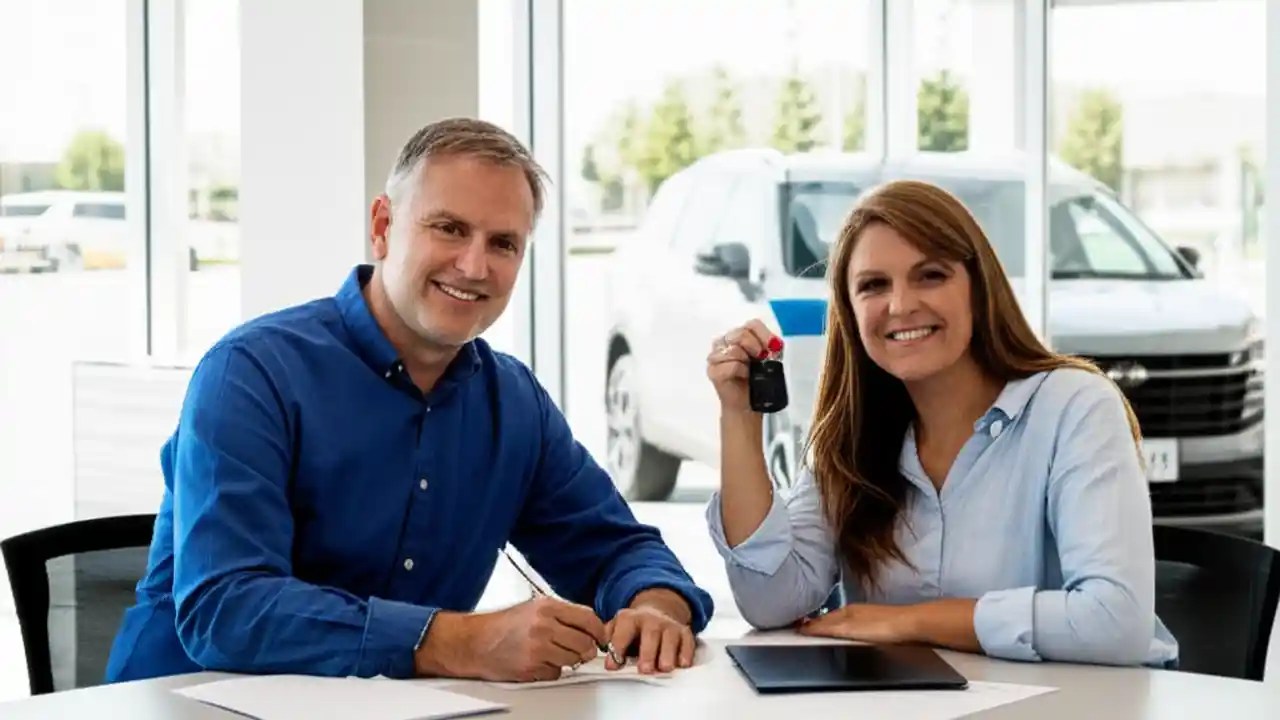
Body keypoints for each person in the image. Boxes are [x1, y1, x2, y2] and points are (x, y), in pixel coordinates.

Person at [105, 117, 713, 684]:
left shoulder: (511, 402)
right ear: (382, 226)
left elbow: (618, 548)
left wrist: (652, 607)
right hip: (187, 702)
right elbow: (226, 607)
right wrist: (457, 642)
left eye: (503, 243)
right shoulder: (250, 373)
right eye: (448, 228)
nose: (474, 264)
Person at [704, 179, 1178, 667]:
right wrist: (738, 418)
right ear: (849, 311)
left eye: (930, 275)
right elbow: (770, 601)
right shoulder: (850, 439)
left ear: (978, 288)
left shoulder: (1075, 406)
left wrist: (912, 622)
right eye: (873, 286)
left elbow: (1115, 622)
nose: (901, 305)